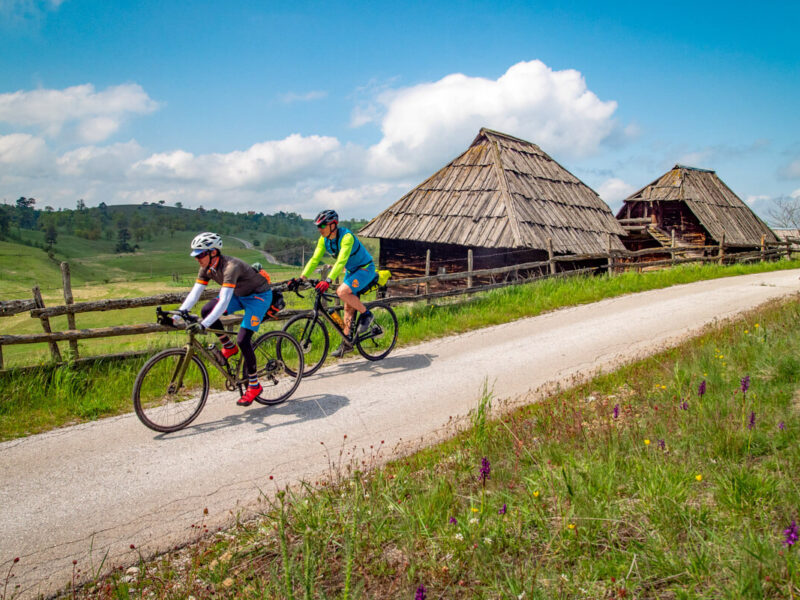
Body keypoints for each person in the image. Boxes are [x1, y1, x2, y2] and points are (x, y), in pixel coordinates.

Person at [176, 232, 272, 407]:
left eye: (201, 254)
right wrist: (177, 314)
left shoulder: (230, 267)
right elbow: (195, 293)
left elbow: (224, 300)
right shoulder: (206, 267)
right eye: (196, 255)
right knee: (207, 309)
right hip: (240, 294)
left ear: (213, 252)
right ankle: (228, 346)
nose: (197, 259)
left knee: (243, 339)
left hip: (259, 296)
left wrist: (203, 325)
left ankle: (254, 385)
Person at [296, 209, 375, 357]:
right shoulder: (323, 240)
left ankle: (367, 314)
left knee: (341, 292)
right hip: (352, 271)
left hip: (365, 269)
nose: (319, 229)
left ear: (333, 225)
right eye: (318, 226)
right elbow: (314, 260)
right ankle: (347, 344)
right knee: (347, 307)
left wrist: (328, 280)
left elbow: (341, 261)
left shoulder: (346, 237)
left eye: (322, 226)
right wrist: (302, 277)